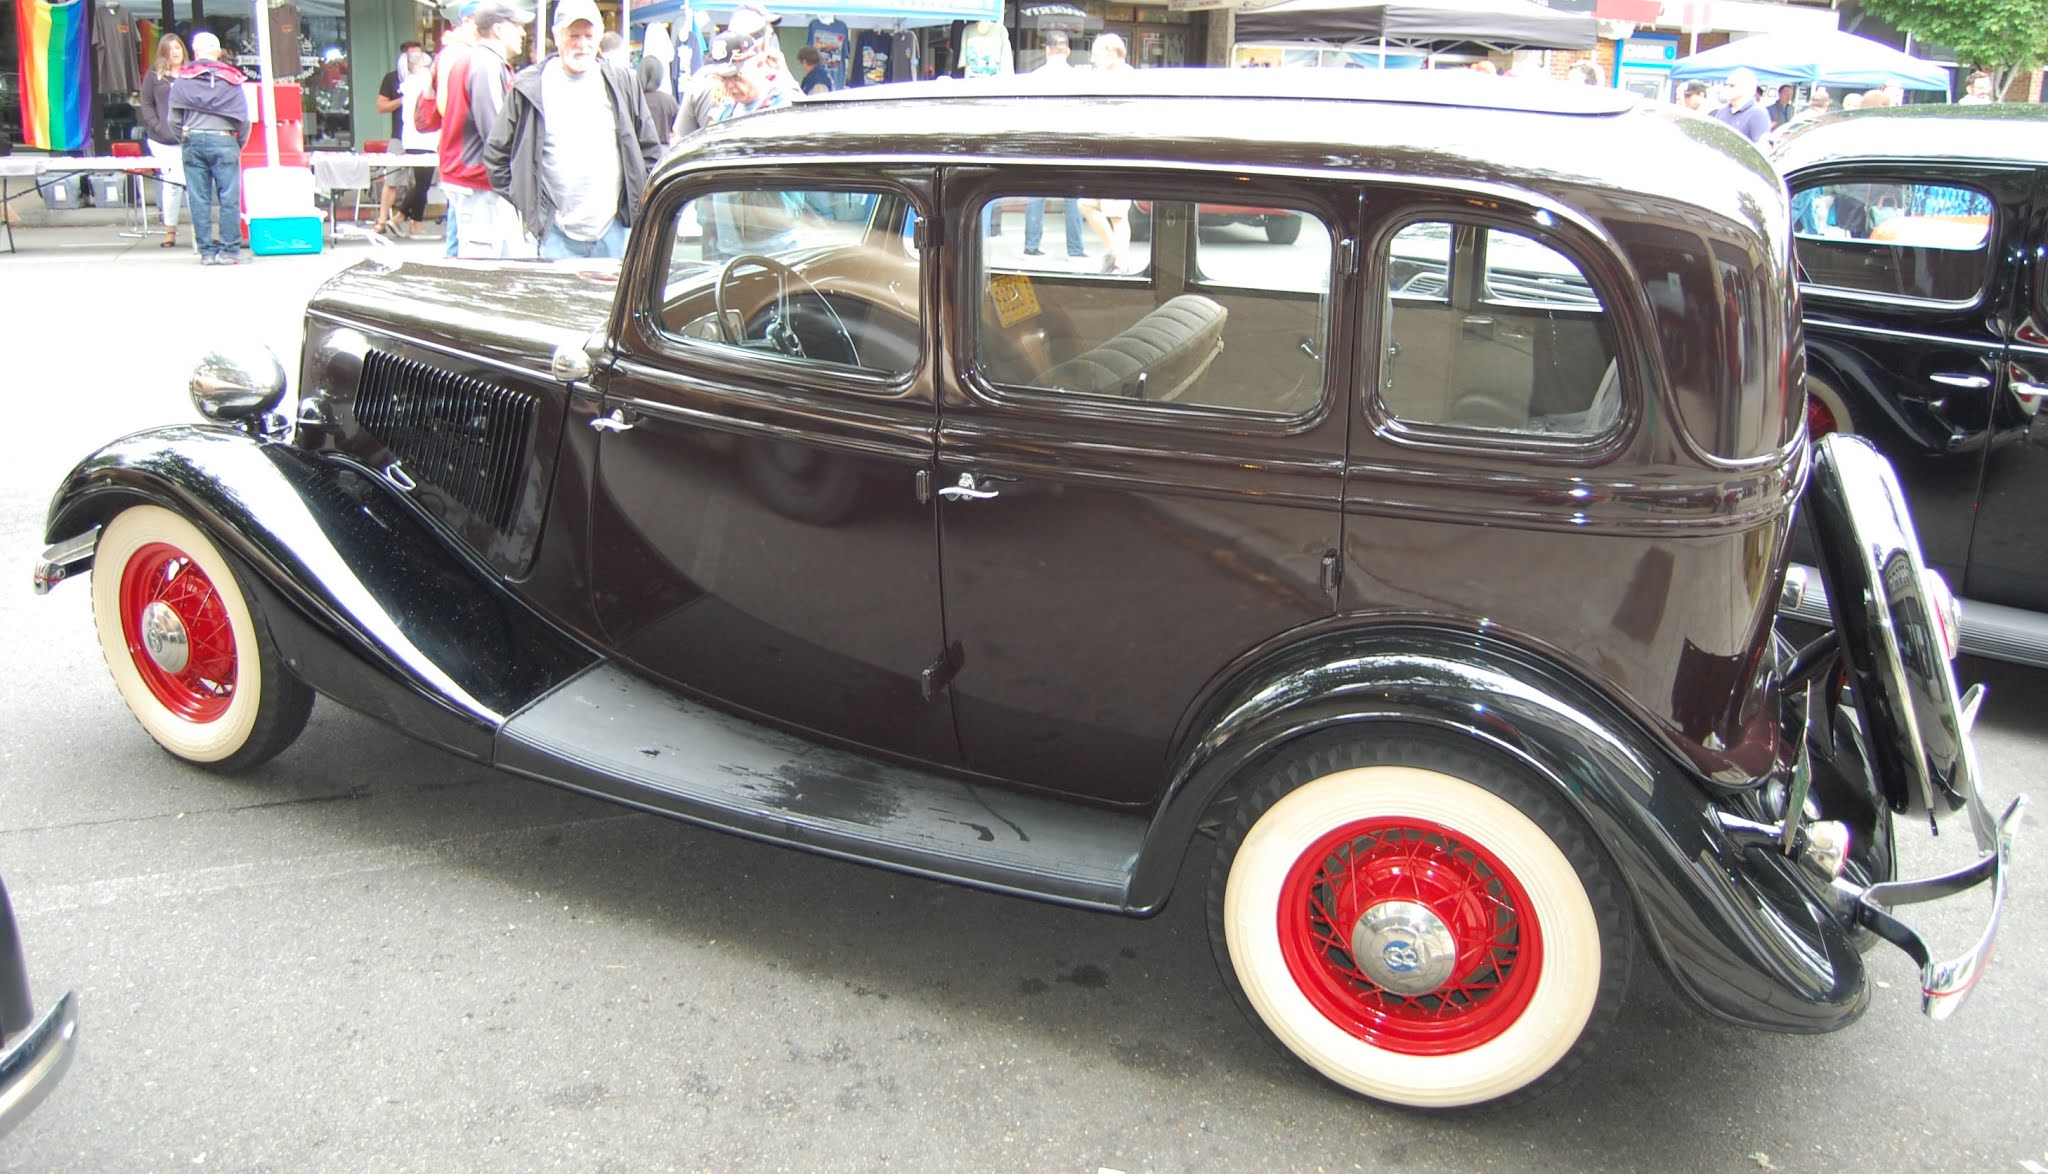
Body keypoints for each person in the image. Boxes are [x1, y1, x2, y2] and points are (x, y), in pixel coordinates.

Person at [487, 0, 662, 259]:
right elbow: (496, 156)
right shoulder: (529, 87)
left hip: (615, 231)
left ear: (599, 37)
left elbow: (650, 149)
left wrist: (635, 207)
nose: (582, 44)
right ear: (557, 37)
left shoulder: (622, 81)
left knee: (613, 301)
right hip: (556, 235)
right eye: (574, 35)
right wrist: (532, 206)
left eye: (589, 35)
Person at [442, 0, 534, 258]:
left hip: (480, 182)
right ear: (499, 29)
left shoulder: (478, 61)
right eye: (516, 26)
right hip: (480, 183)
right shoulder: (485, 65)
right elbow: (496, 134)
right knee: (484, 267)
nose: (523, 33)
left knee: (498, 262)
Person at [168, 31, 251, 266]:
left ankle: (205, 251)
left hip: (192, 139)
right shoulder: (232, 80)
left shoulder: (183, 80)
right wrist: (237, 144)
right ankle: (229, 250)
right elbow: (243, 121)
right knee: (229, 197)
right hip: (224, 140)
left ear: (195, 53)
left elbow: (173, 120)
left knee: (199, 197)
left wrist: (184, 138)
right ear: (217, 52)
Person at [1022, 31, 1083, 262]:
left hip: (1041, 141)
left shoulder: (1036, 77)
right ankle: (1075, 250)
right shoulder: (1076, 77)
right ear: (1067, 51)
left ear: (1047, 50)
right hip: (1068, 142)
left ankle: (1031, 246)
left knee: (1036, 195)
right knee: (1072, 198)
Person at [1076, 33, 1135, 273]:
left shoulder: (1127, 78)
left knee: (1117, 214)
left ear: (1112, 52)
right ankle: (1115, 254)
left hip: (1120, 153)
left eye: (1097, 53)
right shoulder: (1102, 78)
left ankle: (1119, 262)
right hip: (1101, 153)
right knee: (1087, 205)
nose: (1093, 59)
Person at [136, 33, 187, 249]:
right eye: (170, 49)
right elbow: (145, 102)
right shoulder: (155, 75)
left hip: (188, 137)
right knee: (173, 184)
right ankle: (170, 231)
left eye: (178, 48)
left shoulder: (191, 74)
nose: (175, 52)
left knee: (191, 184)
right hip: (162, 140)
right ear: (163, 53)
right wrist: (156, 124)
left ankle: (198, 232)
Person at [1707, 67, 1771, 143]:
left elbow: (1760, 150)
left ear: (1745, 88)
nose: (1727, 88)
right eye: (1726, 85)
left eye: (1732, 85)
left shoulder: (1758, 114)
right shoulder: (1723, 111)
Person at [638, 54, 677, 143]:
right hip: (664, 152)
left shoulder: (634, 101)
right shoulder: (670, 101)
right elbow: (678, 130)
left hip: (639, 153)